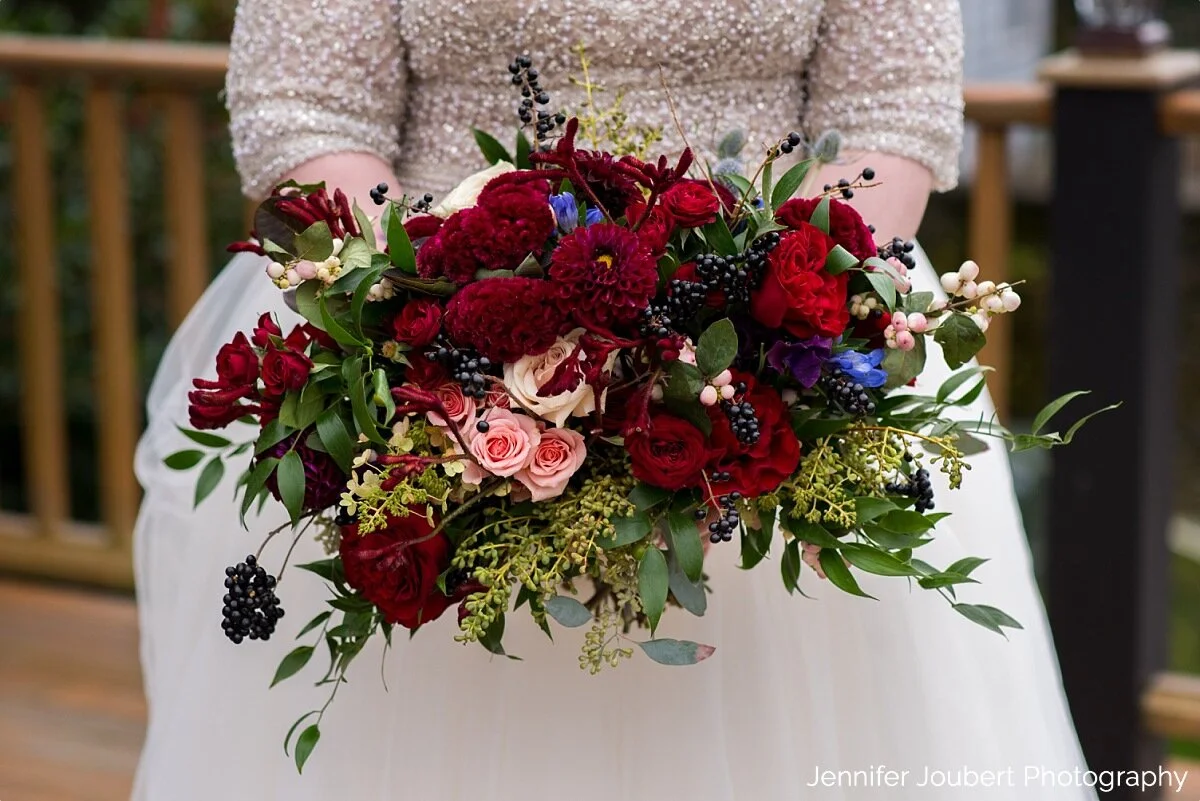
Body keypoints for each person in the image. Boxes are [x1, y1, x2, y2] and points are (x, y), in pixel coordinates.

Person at [131, 1, 1096, 798]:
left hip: (772, 364)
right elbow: (307, 107)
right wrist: (446, 310)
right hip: (433, 359)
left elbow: (892, 108)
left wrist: (762, 328)